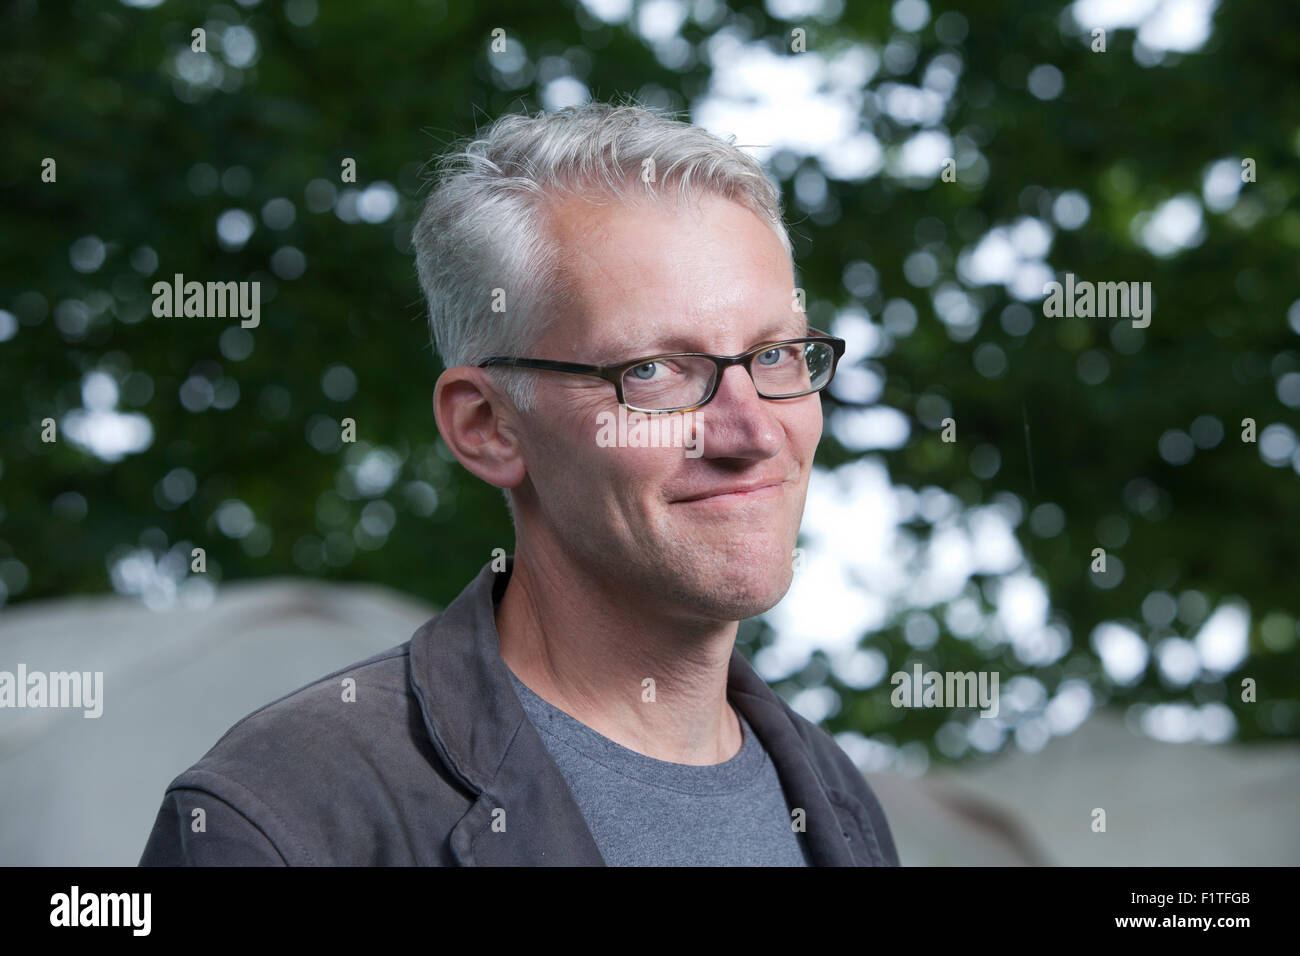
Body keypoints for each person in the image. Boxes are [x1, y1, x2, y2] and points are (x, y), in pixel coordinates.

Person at [139, 101, 899, 866]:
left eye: (775, 356)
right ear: (488, 426)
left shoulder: (838, 804)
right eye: (652, 371)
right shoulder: (285, 817)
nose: (755, 433)